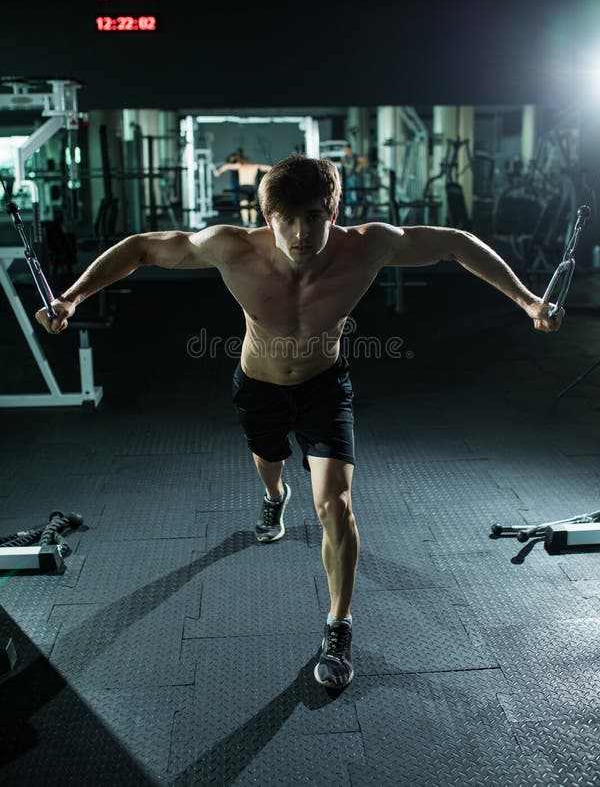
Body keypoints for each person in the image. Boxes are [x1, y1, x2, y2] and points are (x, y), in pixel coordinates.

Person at [35, 154, 564, 690]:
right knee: (270, 462)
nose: (300, 230)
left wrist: (526, 300)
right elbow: (142, 248)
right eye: (286, 217)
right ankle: (273, 496)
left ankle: (338, 625)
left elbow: (455, 241)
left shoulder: (369, 246)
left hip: (324, 386)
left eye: (313, 216)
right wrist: (73, 297)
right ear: (267, 216)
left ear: (332, 213)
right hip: (259, 384)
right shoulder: (231, 247)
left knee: (335, 504)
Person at [214, 153, 272, 226]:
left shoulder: (240, 166)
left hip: (245, 188)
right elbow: (269, 168)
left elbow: (226, 166)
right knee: (252, 205)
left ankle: (247, 222)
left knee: (245, 205)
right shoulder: (254, 166)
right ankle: (252, 222)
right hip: (251, 188)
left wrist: (218, 173)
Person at [340, 143, 368, 217]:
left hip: (353, 177)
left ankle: (355, 212)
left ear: (349, 149)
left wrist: (357, 169)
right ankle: (351, 212)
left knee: (354, 195)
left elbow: (364, 160)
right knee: (348, 195)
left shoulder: (354, 156)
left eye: (346, 149)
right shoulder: (344, 157)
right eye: (344, 149)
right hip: (347, 178)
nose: (345, 151)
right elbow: (343, 166)